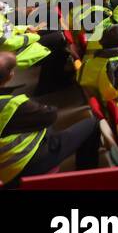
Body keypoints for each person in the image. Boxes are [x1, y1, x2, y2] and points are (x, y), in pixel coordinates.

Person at [0, 52, 101, 188]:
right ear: (11, 75)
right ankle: (88, 178)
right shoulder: (13, 105)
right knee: (93, 124)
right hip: (20, 166)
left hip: (7, 162)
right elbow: (50, 115)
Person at [0, 1, 70, 95]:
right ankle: (46, 85)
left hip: (18, 43)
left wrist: (26, 28)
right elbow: (7, 43)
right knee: (58, 38)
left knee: (54, 32)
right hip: (13, 54)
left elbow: (9, 29)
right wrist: (30, 36)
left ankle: (55, 79)